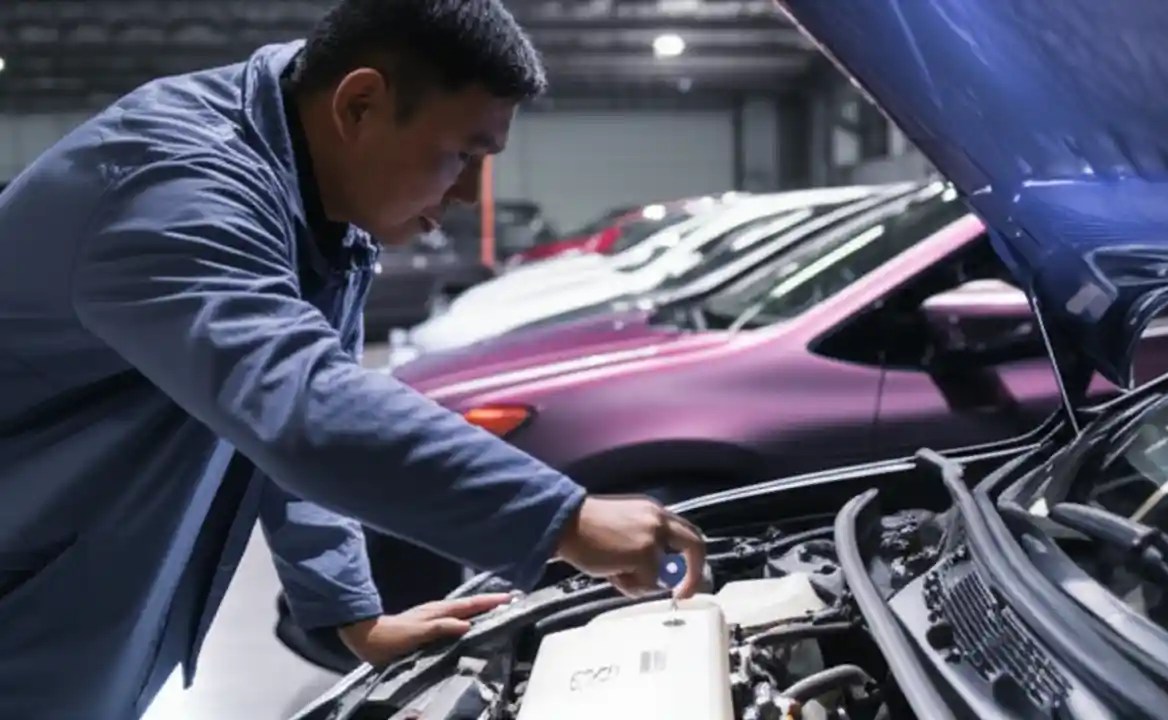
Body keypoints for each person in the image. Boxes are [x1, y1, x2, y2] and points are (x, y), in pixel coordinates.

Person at [0, 1, 706, 718]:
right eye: (463, 154)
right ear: (360, 103)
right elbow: (299, 409)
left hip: (71, 613)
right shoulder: (175, 190)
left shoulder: (315, 203)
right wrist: (563, 521)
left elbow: (296, 420)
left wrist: (349, 614)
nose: (468, 195)